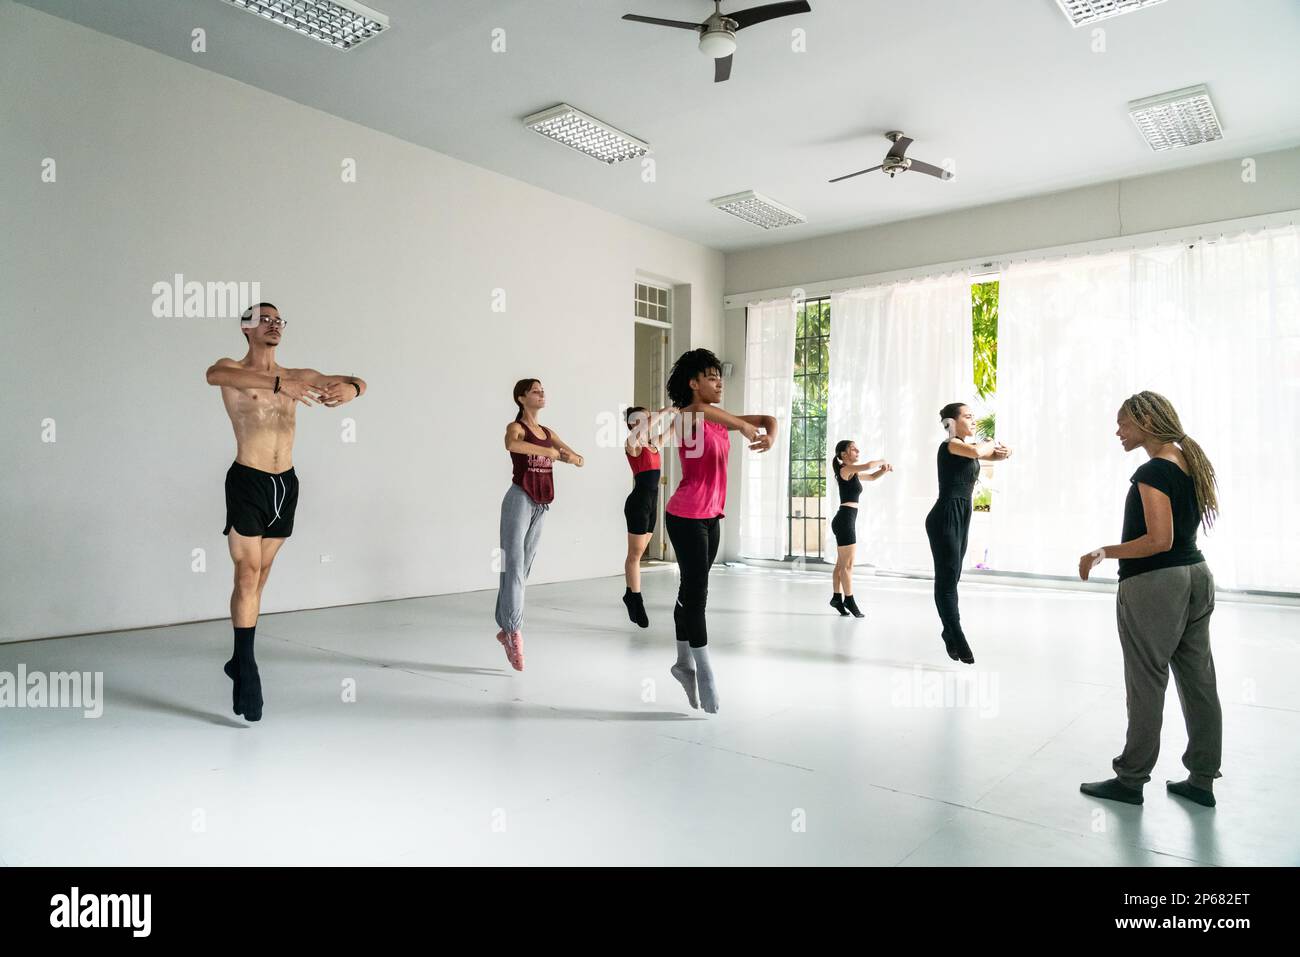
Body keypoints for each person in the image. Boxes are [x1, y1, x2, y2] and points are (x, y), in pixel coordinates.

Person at [205, 302, 367, 722]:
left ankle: (237, 661)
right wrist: (278, 384)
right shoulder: (233, 368)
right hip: (248, 479)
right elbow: (215, 376)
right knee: (245, 571)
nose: (274, 325)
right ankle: (247, 665)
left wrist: (353, 389)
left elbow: (354, 379)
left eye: (279, 320)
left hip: (286, 484)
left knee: (261, 575)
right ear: (246, 329)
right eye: (265, 319)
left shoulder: (301, 375)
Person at [1078, 391, 1222, 808]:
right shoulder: (1188, 461)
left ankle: (1130, 779)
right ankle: (1201, 780)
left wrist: (1102, 551)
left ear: (1145, 421)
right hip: (1197, 577)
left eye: (1124, 422)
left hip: (1157, 585)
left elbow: (1160, 540)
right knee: (1199, 681)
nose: (1118, 431)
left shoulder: (1153, 471)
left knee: (1146, 683)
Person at [662, 349, 775, 714]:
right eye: (711, 377)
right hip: (686, 516)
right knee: (698, 596)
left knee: (689, 594)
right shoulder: (686, 418)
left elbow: (767, 418)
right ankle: (706, 671)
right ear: (694, 383)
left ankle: (682, 664)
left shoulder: (716, 421)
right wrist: (741, 427)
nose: (719, 381)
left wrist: (767, 435)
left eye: (719, 376)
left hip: (711, 518)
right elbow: (695, 411)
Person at [495, 378, 583, 671]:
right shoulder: (516, 427)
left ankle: (506, 626)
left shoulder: (547, 432)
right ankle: (513, 631)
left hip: (541, 503)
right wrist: (550, 454)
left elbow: (573, 456)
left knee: (523, 567)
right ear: (521, 398)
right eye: (535, 390)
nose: (541, 393)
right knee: (514, 565)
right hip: (519, 498)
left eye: (543, 389)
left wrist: (572, 458)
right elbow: (511, 444)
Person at [924, 402, 1010, 664]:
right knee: (947, 579)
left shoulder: (966, 450)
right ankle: (957, 634)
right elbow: (978, 450)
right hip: (945, 516)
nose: (973, 421)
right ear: (951, 422)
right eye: (968, 416)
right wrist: (991, 442)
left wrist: (1005, 451)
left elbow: (993, 456)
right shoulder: (950, 445)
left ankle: (948, 631)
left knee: (954, 577)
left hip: (962, 515)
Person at [621, 405, 674, 628]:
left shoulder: (653, 445)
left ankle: (628, 593)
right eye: (642, 418)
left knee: (639, 552)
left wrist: (683, 412)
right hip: (638, 503)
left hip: (652, 504)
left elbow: (673, 429)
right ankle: (636, 599)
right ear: (633, 423)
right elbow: (646, 426)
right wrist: (665, 410)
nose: (647, 420)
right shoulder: (631, 444)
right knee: (634, 555)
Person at [828, 440, 892, 618]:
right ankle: (849, 599)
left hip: (845, 519)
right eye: (852, 448)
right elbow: (869, 466)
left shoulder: (852, 473)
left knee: (841, 565)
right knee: (847, 566)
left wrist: (883, 470)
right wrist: (882, 460)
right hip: (845, 521)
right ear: (843, 455)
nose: (857, 450)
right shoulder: (845, 469)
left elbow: (871, 476)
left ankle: (836, 597)